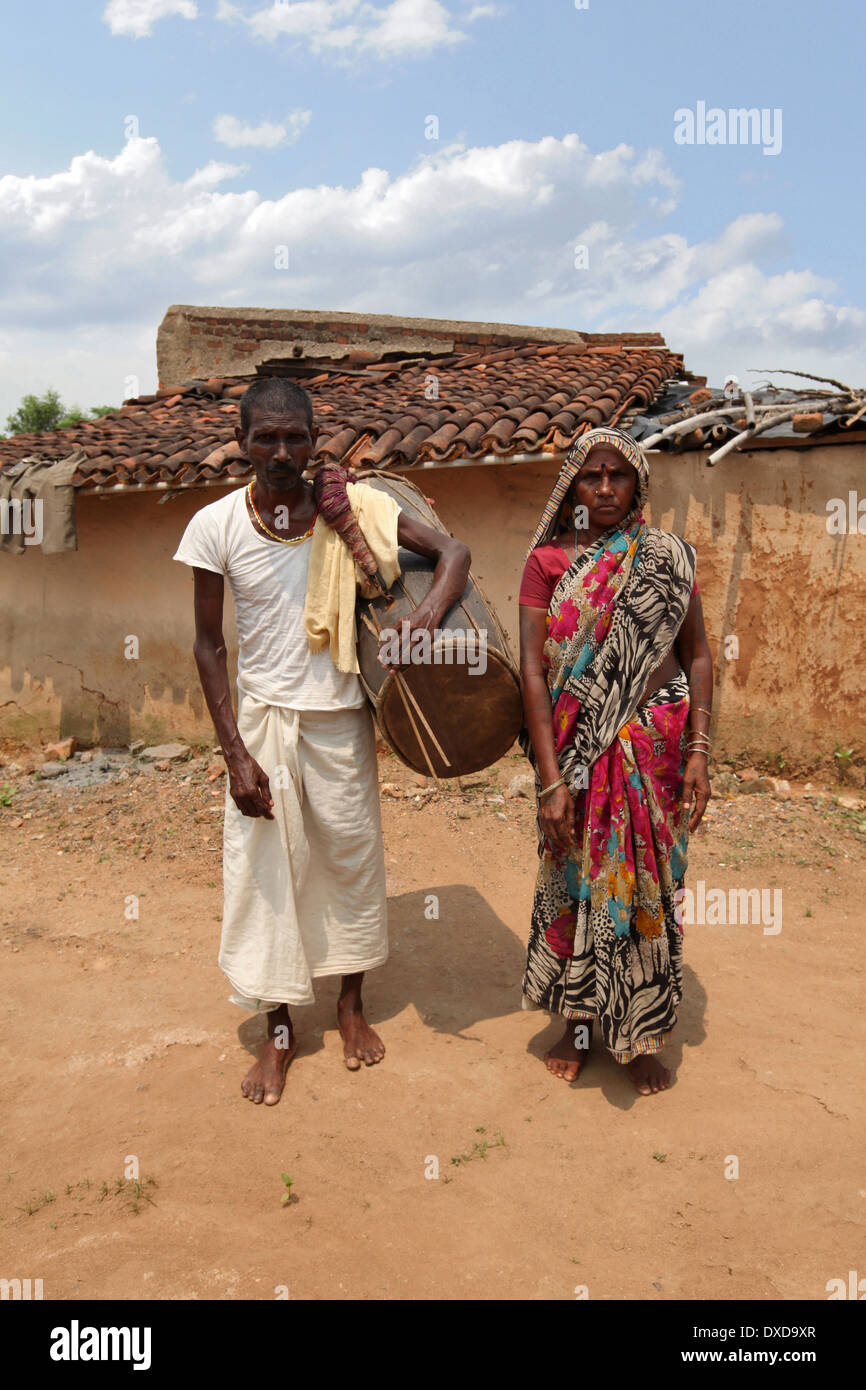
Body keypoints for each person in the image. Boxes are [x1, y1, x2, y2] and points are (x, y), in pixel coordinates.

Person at [173, 378, 470, 1105]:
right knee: (268, 873)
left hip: (342, 716)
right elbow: (210, 648)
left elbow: (454, 552)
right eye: (265, 437)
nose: (281, 451)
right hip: (265, 722)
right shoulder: (216, 525)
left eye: (295, 437)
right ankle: (279, 1029)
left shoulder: (354, 509)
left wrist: (427, 615)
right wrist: (235, 755)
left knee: (349, 862)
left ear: (315, 440)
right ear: (241, 440)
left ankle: (349, 1005)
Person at [518, 425, 712, 1095]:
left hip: (655, 752)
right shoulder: (547, 562)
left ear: (638, 485)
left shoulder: (667, 557)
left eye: (618, 476)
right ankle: (576, 1023)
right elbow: (532, 674)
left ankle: (639, 1032)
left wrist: (700, 751)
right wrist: (549, 779)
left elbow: (700, 656)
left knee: (645, 893)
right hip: (574, 753)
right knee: (575, 885)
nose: (604, 488)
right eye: (592, 475)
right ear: (573, 482)